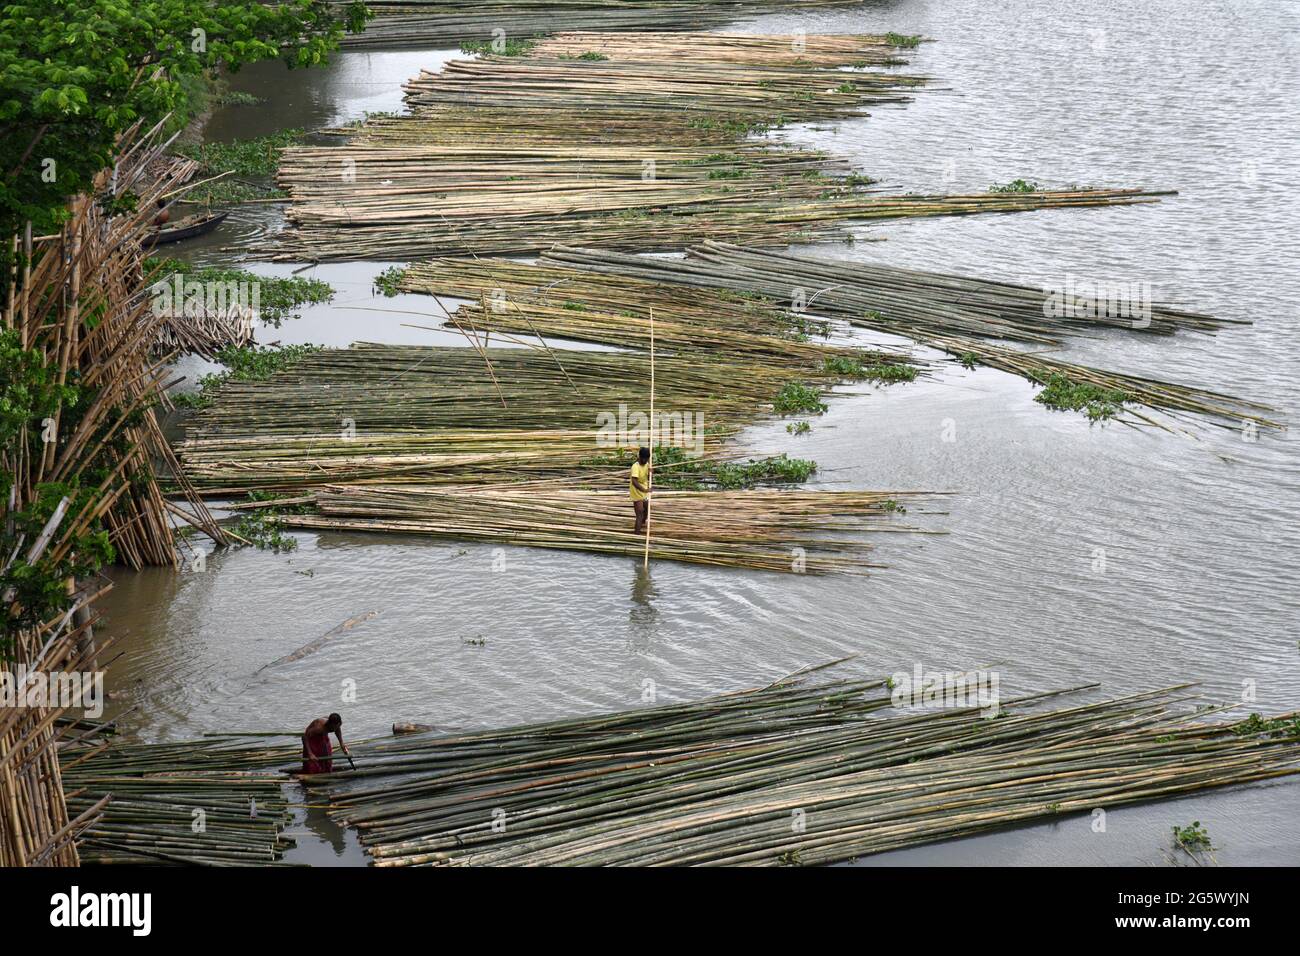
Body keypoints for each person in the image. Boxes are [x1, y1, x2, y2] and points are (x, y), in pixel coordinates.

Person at [630, 446, 651, 533]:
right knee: (640, 513)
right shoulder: (635, 466)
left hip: (644, 491)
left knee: (647, 509)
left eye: (647, 459)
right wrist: (644, 490)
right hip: (637, 492)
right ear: (640, 457)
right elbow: (634, 482)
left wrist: (651, 473)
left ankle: (643, 522)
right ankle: (636, 534)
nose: (645, 461)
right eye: (643, 459)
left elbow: (647, 477)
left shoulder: (647, 464)